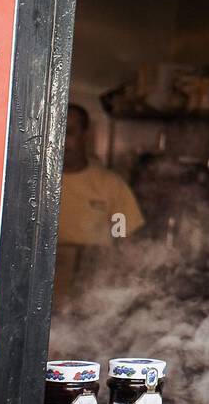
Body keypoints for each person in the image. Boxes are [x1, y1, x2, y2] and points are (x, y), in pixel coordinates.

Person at [55, 103, 145, 297]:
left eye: (69, 132)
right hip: (44, 282)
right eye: (56, 131)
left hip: (91, 284)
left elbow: (122, 233)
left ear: (84, 136)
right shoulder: (34, 183)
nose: (61, 140)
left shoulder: (110, 185)